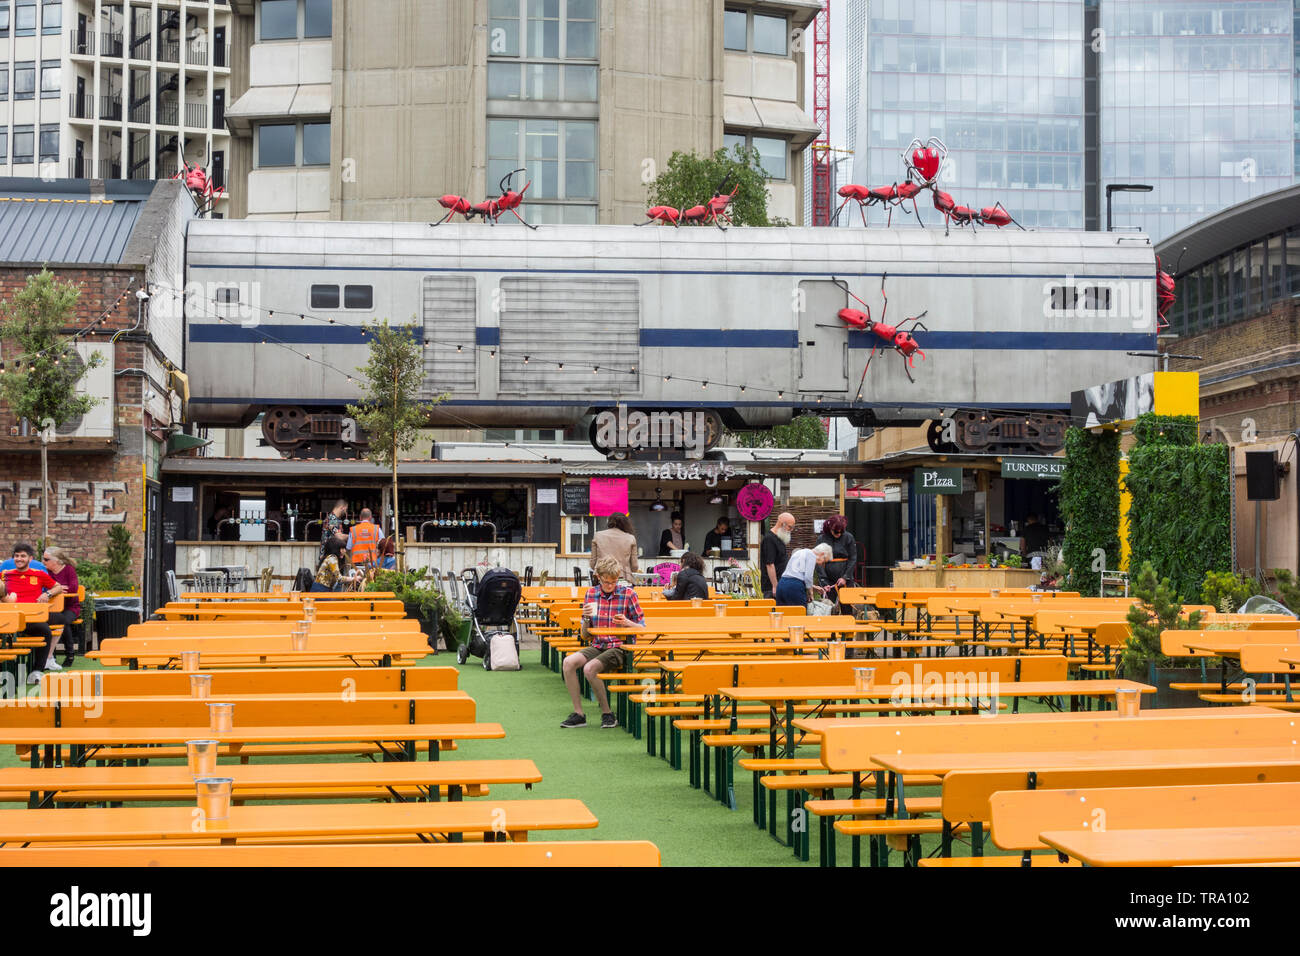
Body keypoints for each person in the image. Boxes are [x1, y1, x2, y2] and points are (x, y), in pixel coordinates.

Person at [560, 556, 645, 729]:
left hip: (621, 647)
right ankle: (579, 714)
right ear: (598, 577)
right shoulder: (591, 594)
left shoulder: (628, 594)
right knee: (568, 663)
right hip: (598, 645)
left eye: (614, 582)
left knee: (589, 668)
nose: (610, 585)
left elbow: (642, 628)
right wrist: (584, 618)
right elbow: (585, 635)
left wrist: (627, 623)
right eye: (606, 582)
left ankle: (607, 714)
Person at [2, 543, 66, 682]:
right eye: (17, 556)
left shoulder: (39, 574)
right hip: (10, 618)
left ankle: (36, 672)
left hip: (31, 619)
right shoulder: (5, 575)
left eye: (23, 556)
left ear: (30, 559)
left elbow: (58, 587)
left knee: (46, 630)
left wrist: (47, 594)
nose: (19, 559)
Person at [41, 547, 82, 667]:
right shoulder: (46, 572)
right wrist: (58, 589)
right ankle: (50, 655)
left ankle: (70, 654)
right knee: (47, 622)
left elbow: (73, 588)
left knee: (63, 621)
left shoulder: (69, 570)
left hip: (70, 607)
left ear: (57, 561)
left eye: (46, 559)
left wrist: (55, 590)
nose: (43, 561)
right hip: (52, 607)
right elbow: (43, 588)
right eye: (43, 559)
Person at [816, 515, 859, 610]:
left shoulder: (849, 537)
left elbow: (853, 558)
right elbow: (818, 561)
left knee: (847, 608)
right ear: (830, 528)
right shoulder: (821, 538)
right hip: (828, 581)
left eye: (841, 532)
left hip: (845, 580)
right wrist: (824, 582)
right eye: (836, 532)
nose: (839, 534)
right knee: (828, 609)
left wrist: (845, 577)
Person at [775, 542, 833, 608]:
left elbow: (794, 575)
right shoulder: (811, 555)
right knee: (799, 614)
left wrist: (813, 587)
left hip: (782, 585)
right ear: (822, 554)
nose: (822, 563)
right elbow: (808, 577)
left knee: (783, 613)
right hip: (795, 588)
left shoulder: (799, 552)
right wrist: (811, 594)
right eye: (824, 560)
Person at [590, 513, 639, 583]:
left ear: (609, 522)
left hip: (602, 577)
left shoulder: (598, 535)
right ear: (626, 523)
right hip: (623, 577)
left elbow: (592, 563)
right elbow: (634, 567)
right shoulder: (630, 538)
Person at [761, 512, 795, 599]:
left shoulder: (780, 537)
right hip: (771, 587)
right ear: (782, 524)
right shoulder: (769, 539)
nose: (791, 530)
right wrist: (775, 586)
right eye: (790, 527)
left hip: (781, 583)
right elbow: (769, 564)